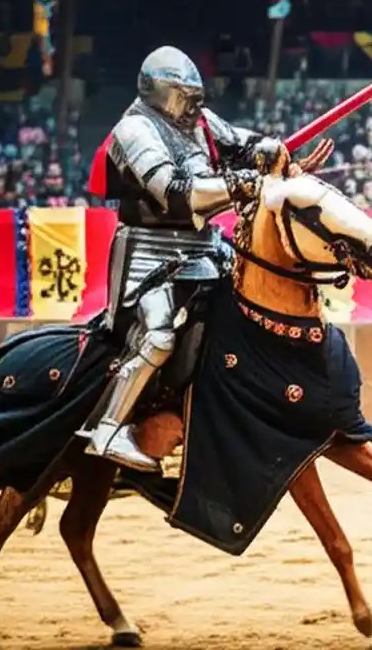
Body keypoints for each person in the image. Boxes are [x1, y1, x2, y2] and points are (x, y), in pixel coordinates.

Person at [79, 45, 329, 471]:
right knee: (158, 336)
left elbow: (243, 145)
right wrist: (247, 183)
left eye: (197, 98)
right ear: (160, 92)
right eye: (185, 97)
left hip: (204, 246)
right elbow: (177, 193)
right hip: (151, 253)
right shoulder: (135, 129)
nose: (194, 107)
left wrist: (274, 154)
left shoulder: (200, 122)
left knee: (249, 311)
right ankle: (108, 428)